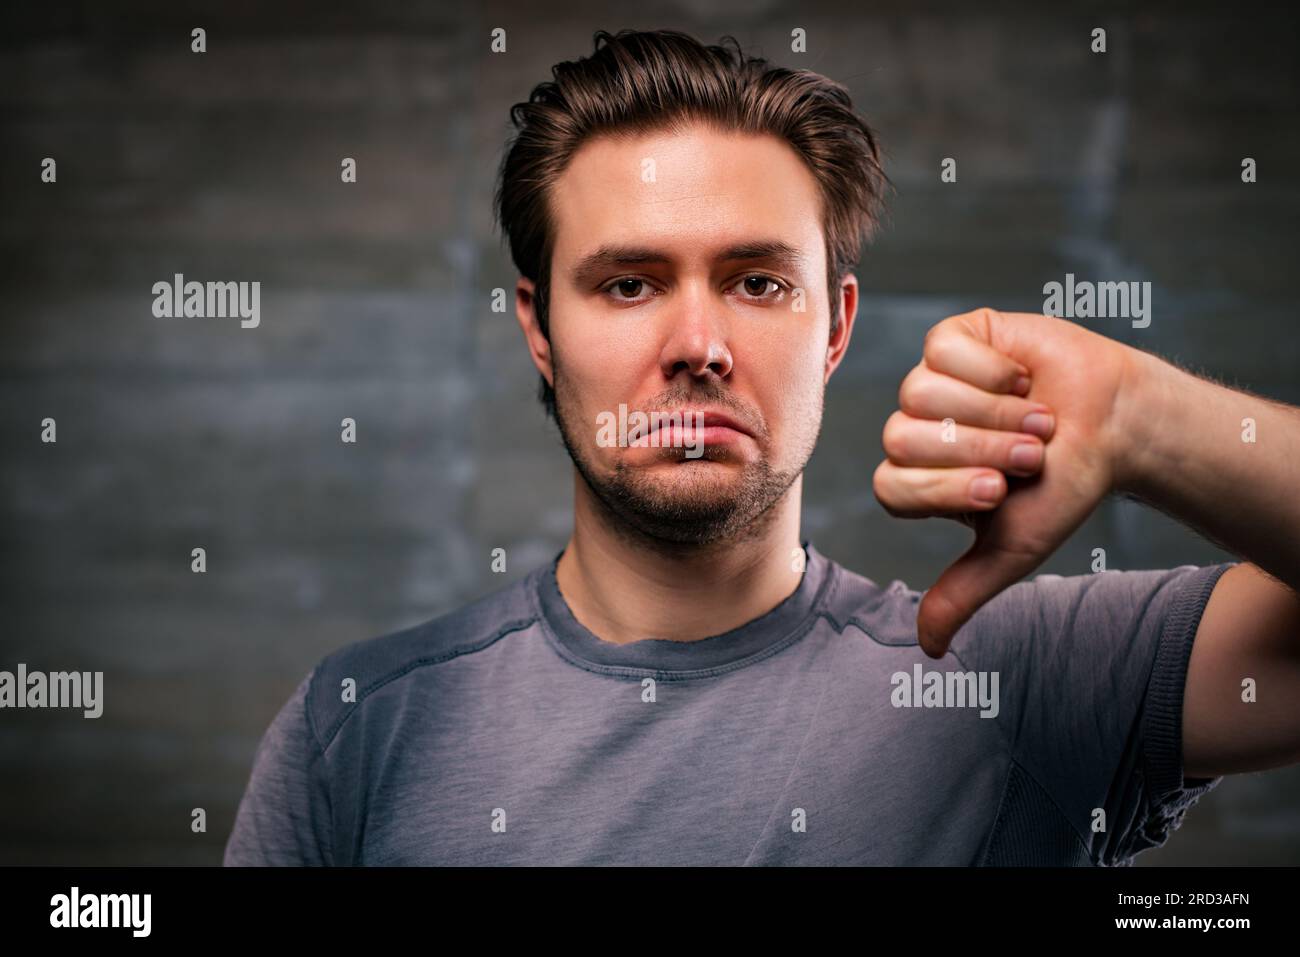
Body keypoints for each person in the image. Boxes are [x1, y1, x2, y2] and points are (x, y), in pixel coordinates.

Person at [224, 29, 1300, 866]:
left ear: (832, 327)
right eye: (628, 284)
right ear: (538, 330)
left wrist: (1141, 420)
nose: (698, 346)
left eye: (756, 283)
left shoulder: (1016, 687)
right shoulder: (360, 728)